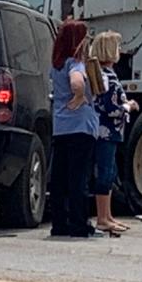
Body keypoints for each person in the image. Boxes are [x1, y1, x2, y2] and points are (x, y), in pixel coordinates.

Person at [49, 21, 99, 239]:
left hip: (61, 126)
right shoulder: (75, 63)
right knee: (79, 178)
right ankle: (79, 224)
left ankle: (59, 222)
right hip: (80, 127)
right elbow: (77, 82)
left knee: (60, 178)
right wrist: (80, 96)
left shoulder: (57, 64)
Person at [89, 30, 139, 235]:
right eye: (116, 47)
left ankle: (107, 215)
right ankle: (102, 218)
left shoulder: (105, 74)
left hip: (108, 131)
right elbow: (110, 108)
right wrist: (129, 106)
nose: (119, 50)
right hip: (106, 132)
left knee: (110, 172)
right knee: (105, 172)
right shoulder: (106, 77)